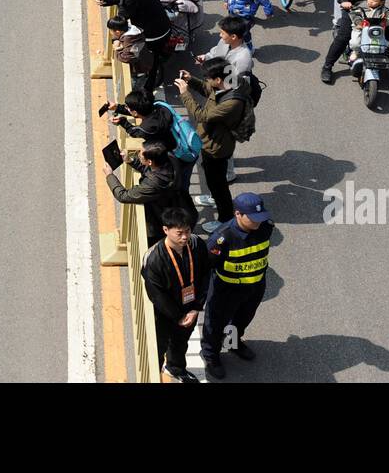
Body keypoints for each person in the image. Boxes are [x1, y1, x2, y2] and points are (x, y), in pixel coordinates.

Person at [199, 193, 274, 379]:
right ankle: (211, 356)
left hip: (255, 286)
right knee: (215, 324)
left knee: (243, 318)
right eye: (253, 218)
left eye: (260, 217)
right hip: (226, 290)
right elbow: (206, 266)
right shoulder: (222, 238)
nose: (258, 222)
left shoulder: (266, 227)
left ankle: (233, 343)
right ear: (238, 214)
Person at [175, 59, 246, 231]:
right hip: (211, 143)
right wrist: (191, 80)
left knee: (219, 184)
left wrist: (185, 93)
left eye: (208, 77)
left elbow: (201, 115)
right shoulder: (227, 85)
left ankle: (225, 219)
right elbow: (208, 90)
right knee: (213, 178)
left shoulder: (232, 102)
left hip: (217, 148)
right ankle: (215, 198)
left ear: (219, 80)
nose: (206, 80)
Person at [141, 206, 211, 382]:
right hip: (164, 313)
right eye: (179, 233)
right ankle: (152, 377)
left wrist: (196, 308)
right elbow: (157, 295)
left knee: (181, 342)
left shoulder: (196, 244)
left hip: (190, 307)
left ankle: (175, 368)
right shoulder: (154, 258)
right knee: (158, 347)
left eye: (187, 231)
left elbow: (204, 276)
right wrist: (178, 316)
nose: (185, 237)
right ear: (165, 230)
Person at [99, 0, 174, 94]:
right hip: (162, 25)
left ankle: (150, 84)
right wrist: (106, 0)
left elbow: (121, 21)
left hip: (153, 34)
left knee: (150, 58)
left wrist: (116, 41)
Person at [104, 139, 192, 247]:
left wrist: (109, 175)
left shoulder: (153, 184)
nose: (138, 154)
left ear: (149, 161)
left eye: (141, 153)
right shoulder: (168, 158)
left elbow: (123, 196)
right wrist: (130, 160)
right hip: (176, 207)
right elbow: (150, 170)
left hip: (158, 222)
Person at [197, 16, 254, 90]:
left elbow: (239, 84)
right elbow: (215, 53)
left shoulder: (243, 59)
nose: (220, 35)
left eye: (222, 33)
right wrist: (206, 57)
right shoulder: (224, 42)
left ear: (233, 37)